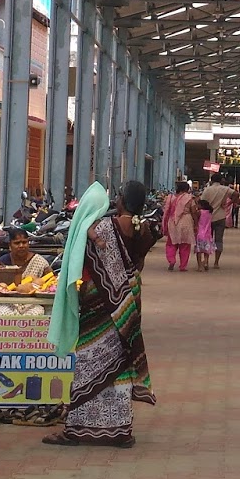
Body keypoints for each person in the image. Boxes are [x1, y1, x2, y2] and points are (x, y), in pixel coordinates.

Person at [44, 180, 155, 448]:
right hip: (128, 302)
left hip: (100, 305)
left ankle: (79, 429)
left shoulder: (106, 227)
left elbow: (79, 238)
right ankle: (120, 430)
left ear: (121, 200)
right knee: (120, 364)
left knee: (88, 362)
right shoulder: (144, 229)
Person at [161, 181, 197, 272]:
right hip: (186, 221)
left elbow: (166, 211)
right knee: (185, 245)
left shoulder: (170, 198)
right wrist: (196, 223)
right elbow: (193, 212)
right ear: (186, 189)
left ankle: (171, 260)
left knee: (171, 243)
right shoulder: (189, 198)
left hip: (172, 222)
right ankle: (182, 266)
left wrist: (164, 224)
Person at [199, 175, 232, 268]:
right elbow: (236, 195)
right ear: (221, 180)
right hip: (221, 217)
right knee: (219, 240)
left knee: (207, 239)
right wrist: (228, 203)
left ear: (211, 180)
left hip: (208, 218)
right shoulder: (225, 189)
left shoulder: (207, 190)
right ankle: (216, 262)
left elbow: (202, 203)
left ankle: (206, 261)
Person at [193, 199, 216, 271]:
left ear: (201, 205)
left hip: (200, 233)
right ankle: (206, 262)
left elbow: (196, 221)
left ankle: (199, 266)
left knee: (199, 251)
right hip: (208, 234)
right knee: (206, 250)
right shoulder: (209, 212)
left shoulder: (199, 212)